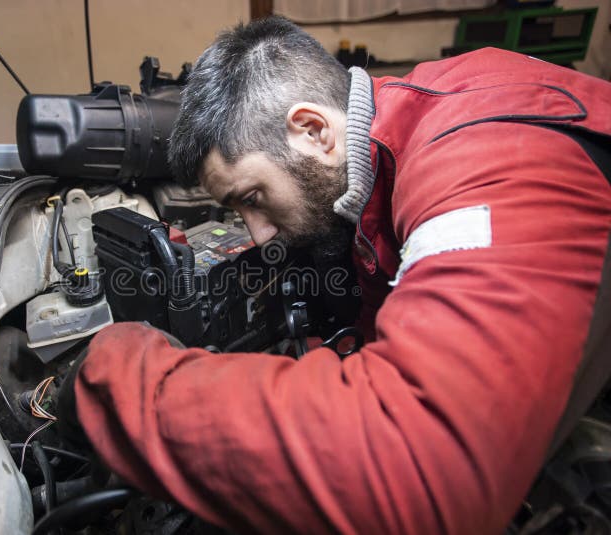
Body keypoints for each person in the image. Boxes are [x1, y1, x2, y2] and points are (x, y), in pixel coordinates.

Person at [69, 16, 611, 534]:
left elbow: (422, 477)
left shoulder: (480, 154)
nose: (257, 235)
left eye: (252, 198)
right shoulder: (382, 146)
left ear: (312, 129)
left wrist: (123, 380)